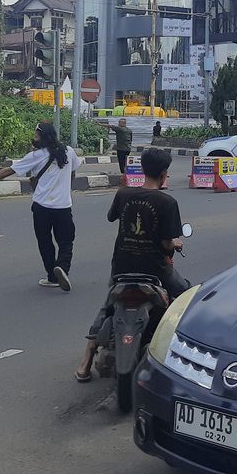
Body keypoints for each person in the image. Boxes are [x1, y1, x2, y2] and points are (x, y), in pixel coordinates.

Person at [75, 148, 189, 382]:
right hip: (155, 270)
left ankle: (85, 361)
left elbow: (111, 217)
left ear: (142, 170)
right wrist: (175, 243)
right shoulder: (167, 202)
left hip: (122, 267)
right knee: (186, 297)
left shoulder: (123, 194)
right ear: (165, 174)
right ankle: (178, 356)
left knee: (108, 305)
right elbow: (167, 243)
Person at [0, 122, 81, 290]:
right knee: (66, 241)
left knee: (45, 242)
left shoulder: (36, 156)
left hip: (41, 207)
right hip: (63, 207)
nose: (34, 140)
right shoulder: (69, 151)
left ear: (43, 138)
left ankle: (52, 276)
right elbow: (72, 172)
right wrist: (64, 189)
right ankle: (62, 268)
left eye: (36, 137)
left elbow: (8, 171)